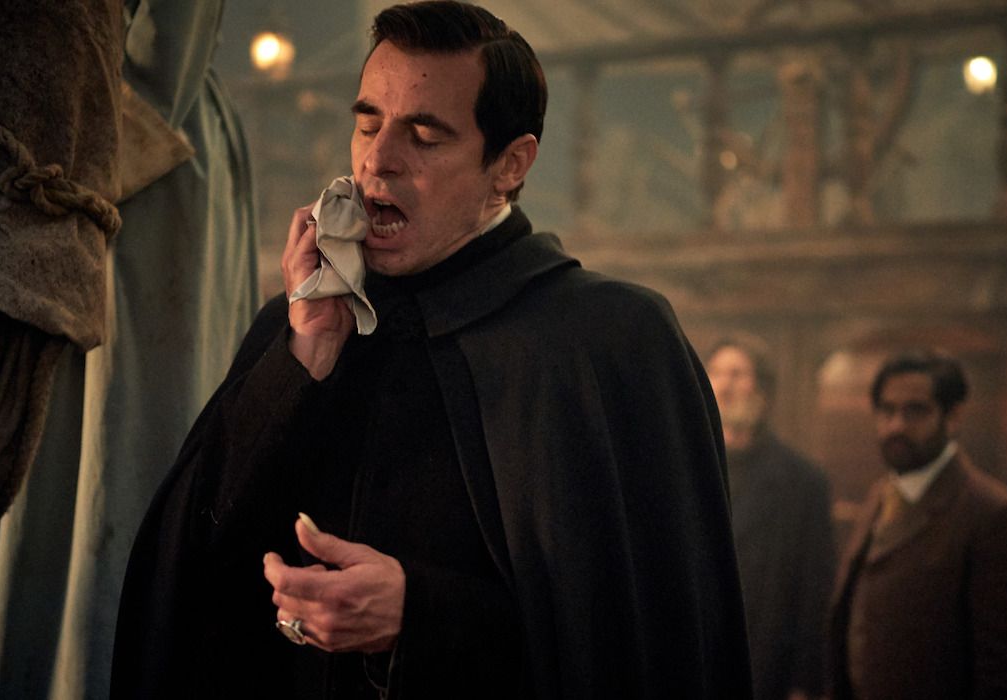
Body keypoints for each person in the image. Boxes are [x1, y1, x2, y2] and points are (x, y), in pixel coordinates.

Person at [111, 2, 751, 697]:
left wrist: (421, 618)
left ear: (510, 164)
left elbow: (646, 644)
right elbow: (185, 583)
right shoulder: (300, 322)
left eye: (424, 136)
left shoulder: (610, 341)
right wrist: (300, 361)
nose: (377, 160)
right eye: (367, 124)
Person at [828, 350, 1007, 700]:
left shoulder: (997, 516)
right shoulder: (881, 496)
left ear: (953, 416)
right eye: (887, 410)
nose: (897, 426)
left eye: (915, 411)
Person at [706, 336, 835, 700]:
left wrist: (804, 684)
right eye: (715, 373)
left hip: (766, 663)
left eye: (737, 374)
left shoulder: (802, 482)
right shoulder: (688, 469)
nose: (724, 386)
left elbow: (814, 591)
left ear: (762, 391)